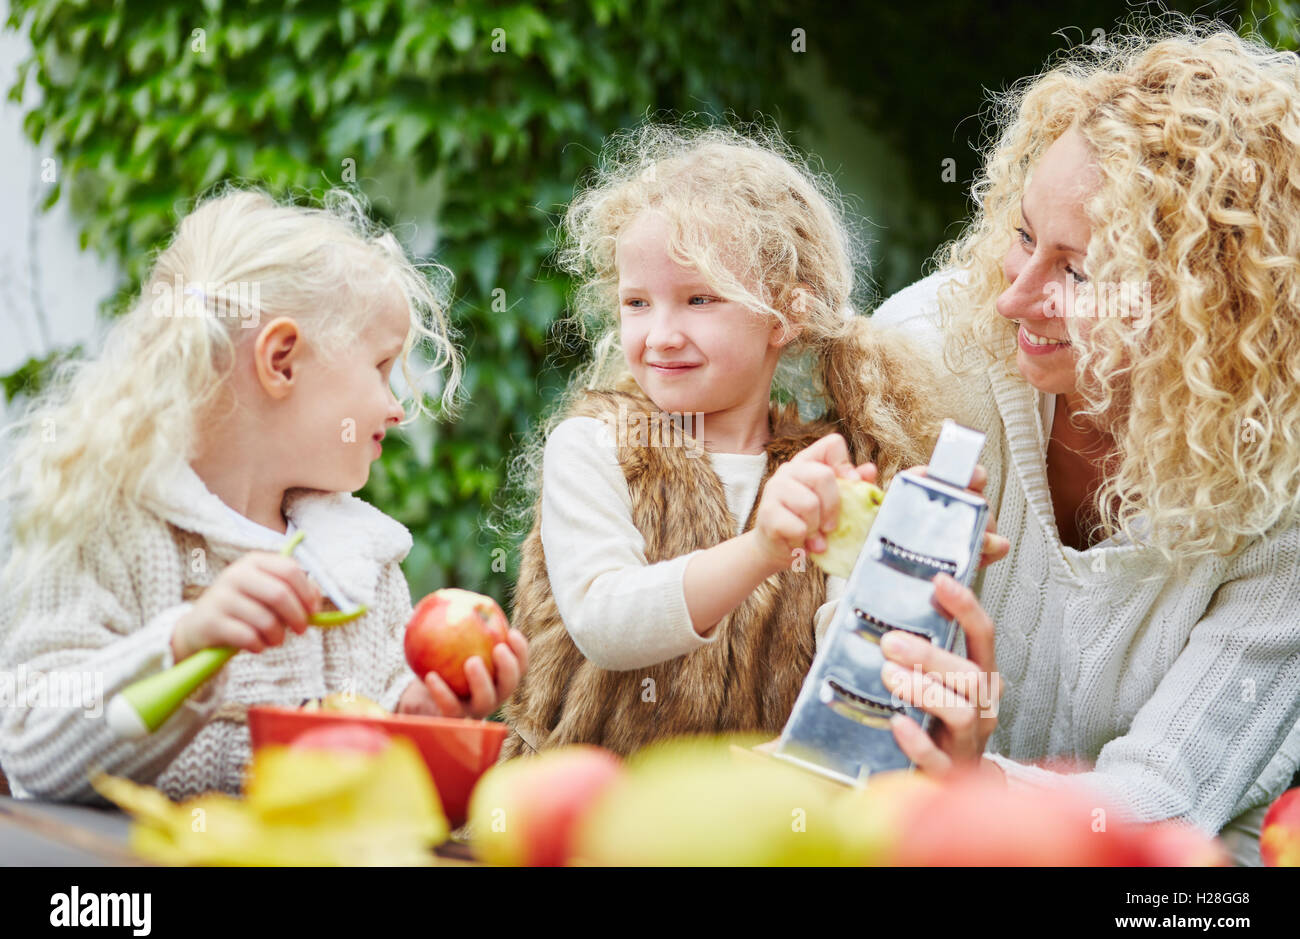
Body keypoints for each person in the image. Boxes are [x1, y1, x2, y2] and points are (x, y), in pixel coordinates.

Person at [866, 25, 1300, 866]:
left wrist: (979, 788)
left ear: (1213, 311)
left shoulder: (1281, 491)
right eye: (1024, 237)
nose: (1013, 299)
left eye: (1079, 273)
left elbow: (1168, 801)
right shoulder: (923, 351)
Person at [0, 187, 528, 802]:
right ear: (281, 360)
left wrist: (420, 717)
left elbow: (368, 778)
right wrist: (183, 644)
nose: (397, 408)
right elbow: (31, 748)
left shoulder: (360, 564)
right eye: (382, 368)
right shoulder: (106, 524)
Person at [500, 124, 1007, 759]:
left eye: (698, 299)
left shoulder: (828, 476)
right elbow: (606, 622)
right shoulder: (595, 447)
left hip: (759, 820)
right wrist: (764, 548)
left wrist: (905, 568)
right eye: (636, 302)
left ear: (785, 316)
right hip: (579, 815)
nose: (659, 334)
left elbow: (852, 679)